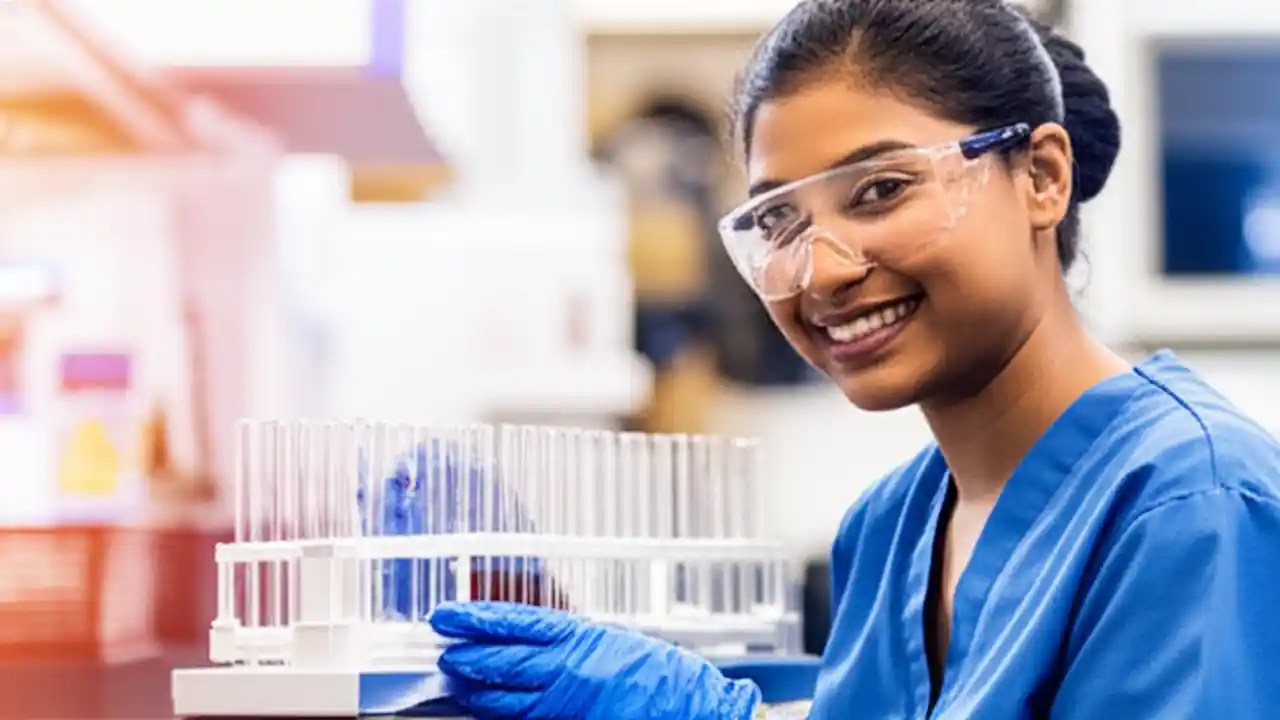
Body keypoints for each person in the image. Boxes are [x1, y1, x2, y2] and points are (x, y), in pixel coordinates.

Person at [427, 0, 1280, 717]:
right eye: (779, 222)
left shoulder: (1192, 501)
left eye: (881, 189)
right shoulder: (887, 529)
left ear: (1043, 178)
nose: (822, 270)